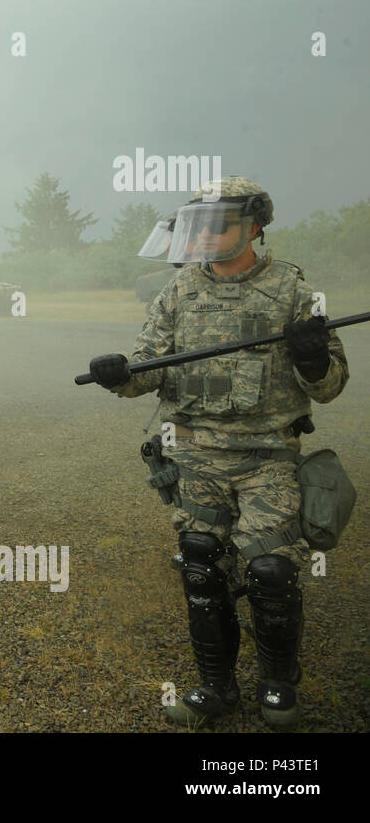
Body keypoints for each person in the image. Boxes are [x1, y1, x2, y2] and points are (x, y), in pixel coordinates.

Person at [87, 177, 349, 729]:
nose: (205, 235)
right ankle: (217, 686)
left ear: (254, 225)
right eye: (197, 224)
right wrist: (117, 374)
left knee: (271, 571)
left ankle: (278, 685)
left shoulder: (295, 291)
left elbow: (328, 387)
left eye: (220, 223)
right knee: (201, 563)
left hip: (267, 454)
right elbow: (144, 374)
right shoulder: (178, 291)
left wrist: (311, 360)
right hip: (197, 455)